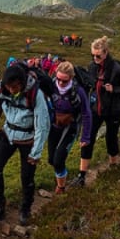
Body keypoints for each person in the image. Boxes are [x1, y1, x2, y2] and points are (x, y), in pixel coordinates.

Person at [0, 63, 50, 225]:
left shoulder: (35, 94)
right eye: (9, 87)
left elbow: (42, 124)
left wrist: (36, 152)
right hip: (8, 133)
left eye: (14, 87)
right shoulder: (0, 90)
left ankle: (25, 210)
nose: (11, 90)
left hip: (28, 137)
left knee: (27, 177)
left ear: (22, 82)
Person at [72, 36, 120, 187]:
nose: (95, 58)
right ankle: (82, 176)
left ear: (106, 53)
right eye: (93, 55)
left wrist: (115, 89)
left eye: (98, 56)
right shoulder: (92, 66)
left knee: (111, 139)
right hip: (96, 109)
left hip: (113, 110)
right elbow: (90, 83)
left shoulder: (116, 68)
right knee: (88, 139)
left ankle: (114, 166)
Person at [46, 61, 92, 194]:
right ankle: (61, 176)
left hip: (70, 127)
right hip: (55, 125)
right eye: (58, 79)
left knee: (58, 159)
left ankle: (61, 187)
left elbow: (86, 113)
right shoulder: (52, 85)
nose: (60, 83)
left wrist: (85, 136)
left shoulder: (79, 91)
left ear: (71, 78)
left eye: (64, 81)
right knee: (51, 160)